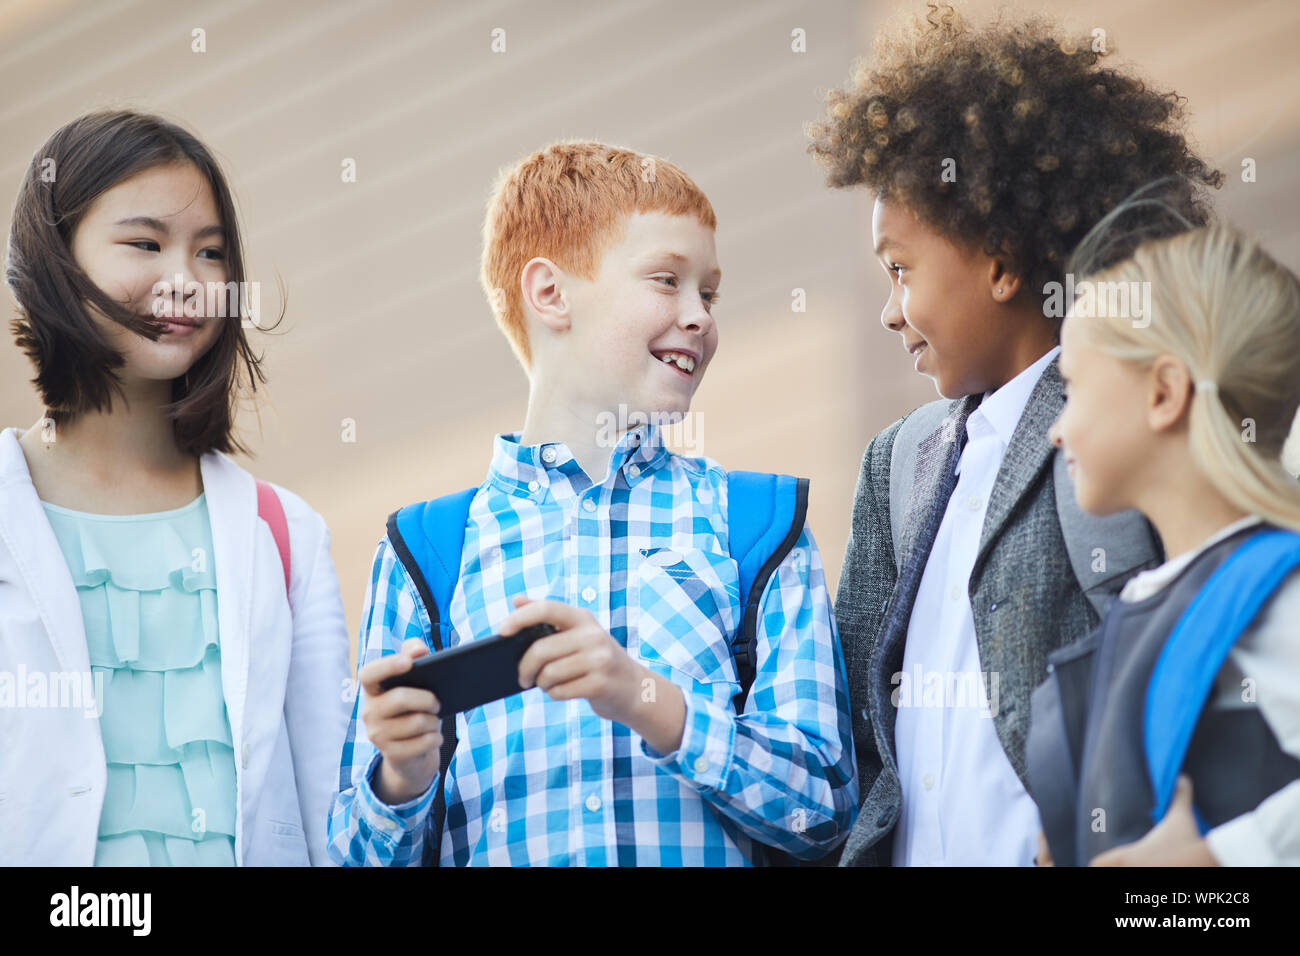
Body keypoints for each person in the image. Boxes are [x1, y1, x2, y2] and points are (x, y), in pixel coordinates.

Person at [327, 140, 858, 866]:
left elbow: (824, 805)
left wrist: (638, 693)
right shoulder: (424, 550)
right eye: (667, 281)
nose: (699, 315)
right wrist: (402, 778)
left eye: (710, 292)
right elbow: (355, 856)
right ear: (549, 294)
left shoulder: (758, 525)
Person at [804, 2, 1223, 865]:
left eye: (899, 270)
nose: (889, 311)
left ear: (999, 261)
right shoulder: (900, 462)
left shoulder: (1122, 421)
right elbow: (857, 727)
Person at [0, 110, 350, 865]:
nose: (186, 282)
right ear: (54, 258)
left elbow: (334, 815)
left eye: (212, 253)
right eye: (144, 243)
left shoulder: (285, 531)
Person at [1028, 221, 1300, 867]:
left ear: (1163, 393)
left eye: (1071, 390)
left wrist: (1222, 858)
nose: (1055, 432)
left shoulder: (1277, 591)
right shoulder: (1152, 599)